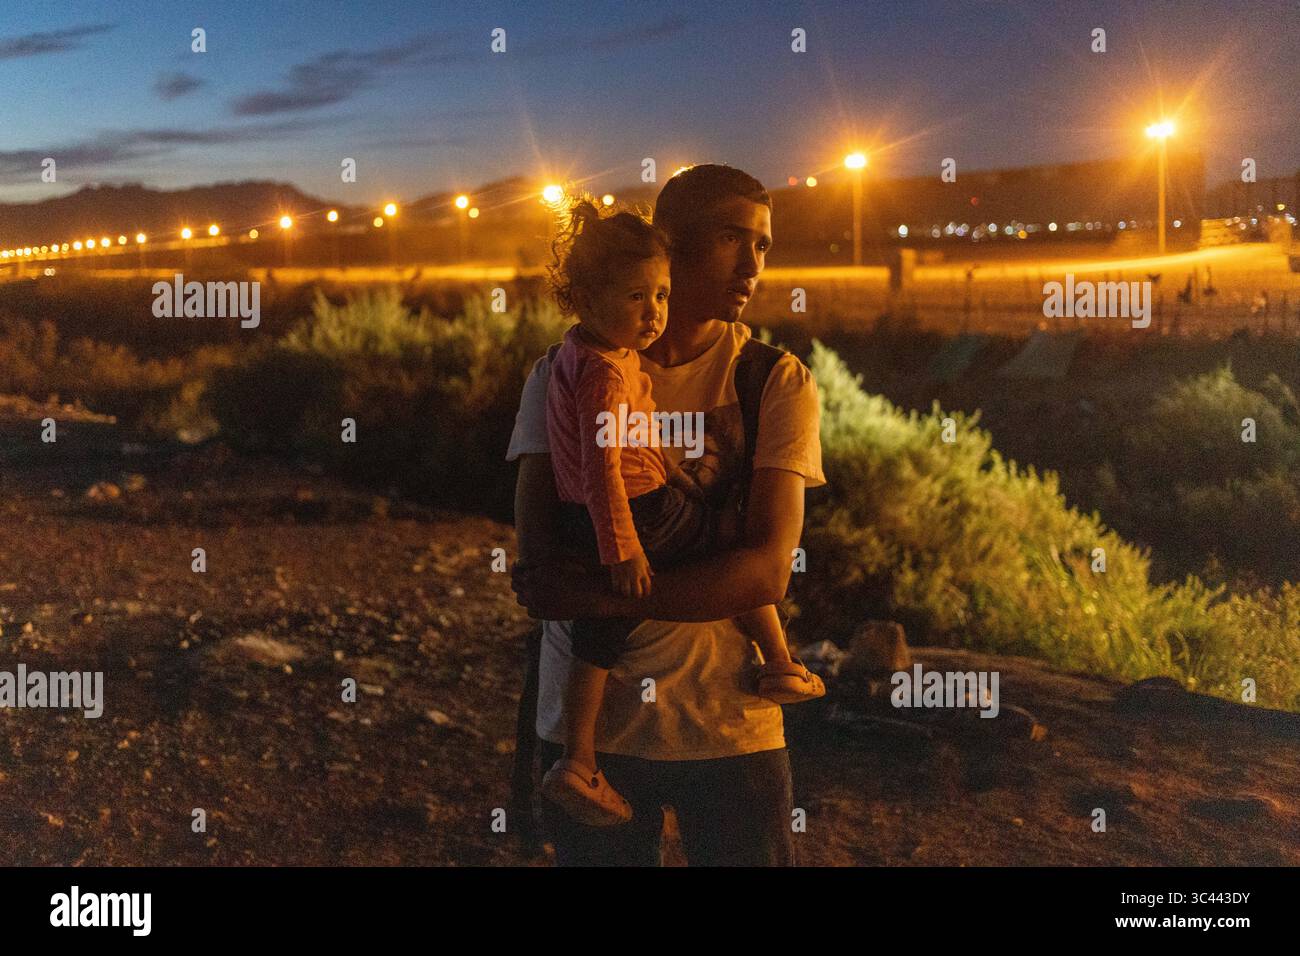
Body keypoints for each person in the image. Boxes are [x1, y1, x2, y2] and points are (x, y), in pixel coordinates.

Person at [508, 164, 825, 865]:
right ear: (668, 245)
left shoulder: (775, 380)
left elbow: (765, 572)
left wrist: (598, 595)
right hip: (595, 738)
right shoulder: (559, 376)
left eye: (765, 245)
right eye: (730, 239)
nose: (752, 264)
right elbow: (538, 566)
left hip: (731, 724)